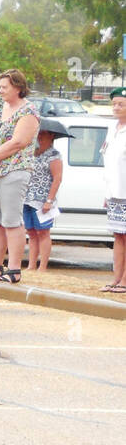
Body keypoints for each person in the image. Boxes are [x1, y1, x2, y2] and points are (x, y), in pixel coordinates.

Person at [0, 68, 38, 283]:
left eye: (5, 86)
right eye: (0, 86)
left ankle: (14, 268)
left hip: (14, 170)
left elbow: (19, 142)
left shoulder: (28, 111)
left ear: (18, 87)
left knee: (12, 220)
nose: (0, 90)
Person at [22, 117, 68, 276]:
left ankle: (43, 266)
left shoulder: (54, 155)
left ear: (52, 136)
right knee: (31, 232)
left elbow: (57, 178)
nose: (39, 136)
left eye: (43, 133)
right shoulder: (32, 152)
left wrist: (49, 200)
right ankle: (31, 265)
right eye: (38, 133)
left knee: (43, 232)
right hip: (28, 198)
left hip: (43, 200)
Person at [102, 87, 126, 292]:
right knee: (118, 235)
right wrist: (107, 193)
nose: (116, 108)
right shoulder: (112, 128)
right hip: (115, 193)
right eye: (114, 104)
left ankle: (125, 281)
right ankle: (116, 278)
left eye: (121, 104)